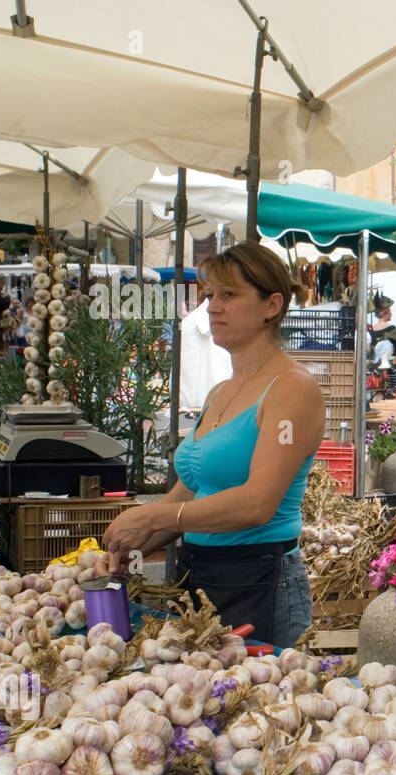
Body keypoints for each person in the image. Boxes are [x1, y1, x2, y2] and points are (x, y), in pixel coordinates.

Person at [96, 242, 325, 647]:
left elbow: (258, 504)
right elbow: (192, 488)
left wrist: (152, 519)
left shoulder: (293, 390)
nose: (212, 307)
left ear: (271, 305)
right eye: (209, 296)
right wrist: (129, 552)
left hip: (259, 581)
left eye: (229, 295)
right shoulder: (221, 392)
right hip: (198, 578)